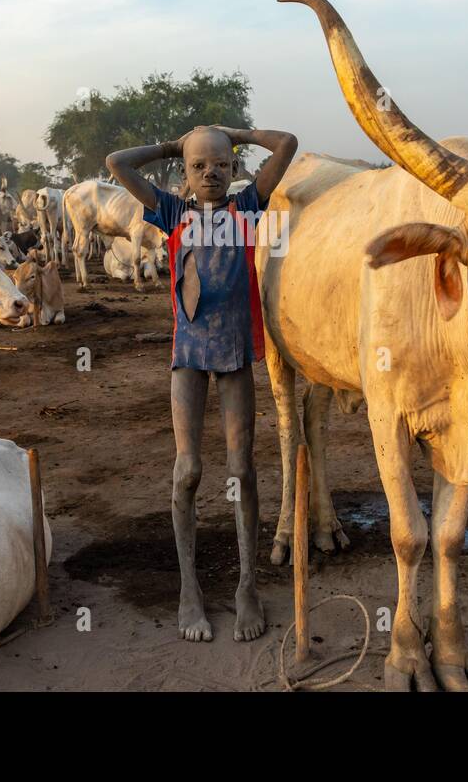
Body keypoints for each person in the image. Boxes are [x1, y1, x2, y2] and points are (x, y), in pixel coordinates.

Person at [106, 124, 297, 642]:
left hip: (234, 358)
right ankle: (189, 589)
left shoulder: (247, 209)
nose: (210, 172)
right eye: (197, 166)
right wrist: (172, 145)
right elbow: (117, 162)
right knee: (188, 469)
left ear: (234, 170)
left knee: (242, 471)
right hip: (187, 360)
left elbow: (287, 145)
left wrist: (234, 133)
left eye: (221, 163)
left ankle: (246, 586)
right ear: (185, 175)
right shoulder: (172, 213)